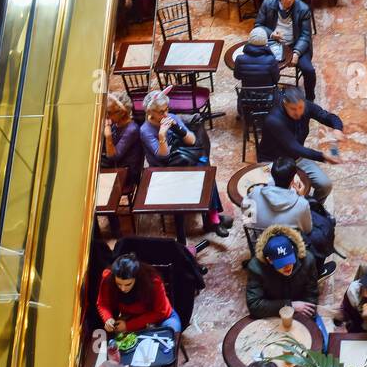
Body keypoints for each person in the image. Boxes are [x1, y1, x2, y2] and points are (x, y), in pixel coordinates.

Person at [139, 91, 231, 236]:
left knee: (205, 169)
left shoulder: (172, 117)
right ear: (150, 112)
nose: (165, 114)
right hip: (164, 169)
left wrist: (177, 127)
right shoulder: (145, 130)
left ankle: (212, 218)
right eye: (161, 111)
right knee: (202, 168)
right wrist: (162, 135)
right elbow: (163, 156)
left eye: (167, 109)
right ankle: (212, 220)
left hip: (181, 159)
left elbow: (192, 141)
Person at [258, 86, 343, 203]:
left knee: (325, 185)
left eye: (300, 107)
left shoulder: (306, 106)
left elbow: (326, 116)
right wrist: (323, 156)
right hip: (275, 162)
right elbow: (294, 147)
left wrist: (337, 128)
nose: (298, 112)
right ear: (285, 104)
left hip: (297, 157)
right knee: (283, 198)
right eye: (293, 109)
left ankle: (313, 208)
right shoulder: (274, 120)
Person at [242, 156, 336, 259]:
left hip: (260, 242)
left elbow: (247, 219)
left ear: (272, 175)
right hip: (289, 247)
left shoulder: (255, 193)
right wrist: (302, 197)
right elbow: (307, 230)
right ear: (292, 180)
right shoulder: (301, 204)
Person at [246, 226, 330, 326]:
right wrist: (289, 305)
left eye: (289, 260)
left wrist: (305, 319)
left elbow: (311, 294)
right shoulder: (256, 268)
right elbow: (254, 305)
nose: (287, 267)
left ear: (292, 251)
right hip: (273, 314)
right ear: (270, 260)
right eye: (281, 264)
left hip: (300, 310)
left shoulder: (308, 260)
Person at [255, 0, 318, 100]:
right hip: (274, 43)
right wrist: (271, 34)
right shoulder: (267, 4)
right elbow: (258, 26)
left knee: (309, 70)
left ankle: (310, 99)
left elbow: (305, 35)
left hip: (296, 44)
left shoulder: (303, 9)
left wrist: (297, 52)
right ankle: (267, 95)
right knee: (260, 66)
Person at [96, 252, 182, 335]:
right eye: (118, 284)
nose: (122, 289)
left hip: (162, 318)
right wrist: (108, 318)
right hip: (130, 317)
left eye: (128, 284)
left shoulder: (153, 281)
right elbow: (103, 303)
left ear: (136, 278)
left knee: (171, 337)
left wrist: (129, 325)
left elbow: (161, 312)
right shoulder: (108, 278)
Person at [101, 90, 142, 182]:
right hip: (115, 165)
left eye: (110, 113)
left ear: (122, 112)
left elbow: (113, 156)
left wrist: (108, 136)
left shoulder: (132, 129)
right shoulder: (115, 123)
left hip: (127, 172)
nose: (106, 116)